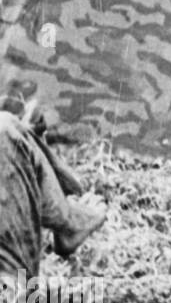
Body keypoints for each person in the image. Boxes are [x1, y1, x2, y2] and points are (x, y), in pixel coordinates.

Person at [1, 109, 106, 280]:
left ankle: (65, 214)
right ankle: (69, 222)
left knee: (9, 132)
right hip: (10, 299)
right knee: (6, 133)